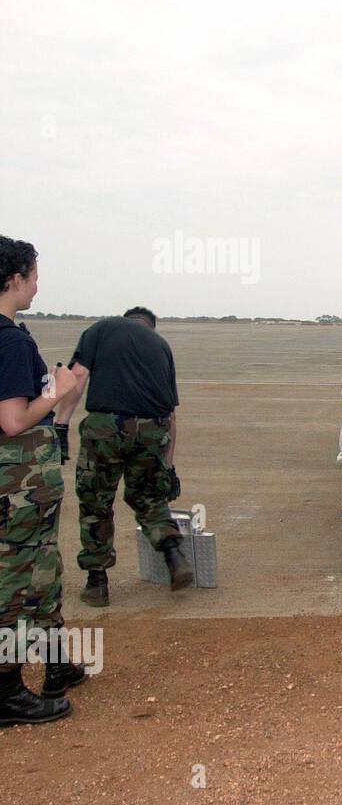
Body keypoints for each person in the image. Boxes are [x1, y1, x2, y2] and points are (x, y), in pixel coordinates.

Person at [0, 235, 88, 725]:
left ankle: (57, 664)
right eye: (33, 275)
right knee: (16, 582)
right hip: (17, 488)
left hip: (21, 486)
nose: (37, 284)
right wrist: (59, 390)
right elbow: (13, 420)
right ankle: (7, 690)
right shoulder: (9, 340)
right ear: (14, 281)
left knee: (42, 570)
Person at [64, 307, 192, 606]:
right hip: (152, 431)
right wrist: (167, 466)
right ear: (151, 326)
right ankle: (173, 553)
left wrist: (60, 423)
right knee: (148, 497)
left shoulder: (102, 329)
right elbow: (171, 416)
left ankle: (97, 582)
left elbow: (77, 376)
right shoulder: (161, 346)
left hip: (107, 429)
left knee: (96, 501)